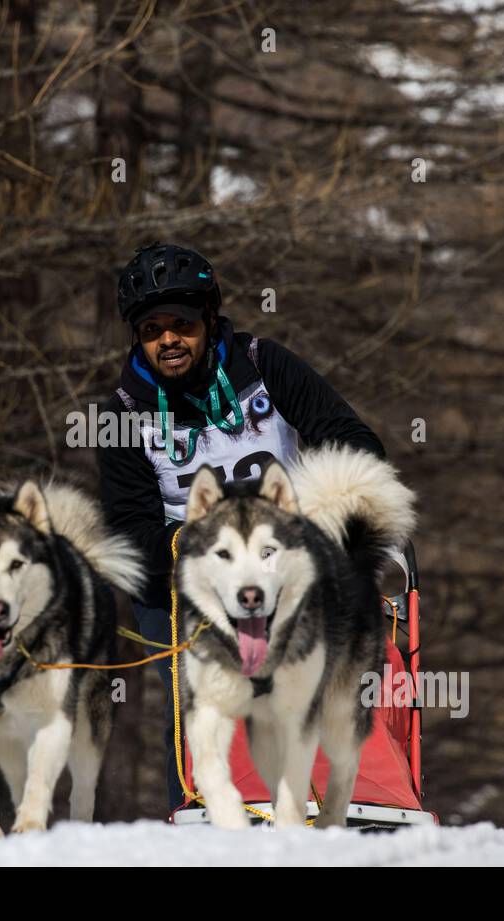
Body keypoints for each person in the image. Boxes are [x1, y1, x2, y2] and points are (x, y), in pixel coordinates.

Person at [96, 239, 387, 816]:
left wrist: (325, 508)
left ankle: (333, 800)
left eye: (180, 323)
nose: (168, 340)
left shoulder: (265, 363)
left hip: (285, 564)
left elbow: (353, 441)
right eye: (152, 330)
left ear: (208, 316)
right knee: (200, 711)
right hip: (187, 585)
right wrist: (194, 545)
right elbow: (128, 535)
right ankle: (205, 812)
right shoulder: (122, 414)